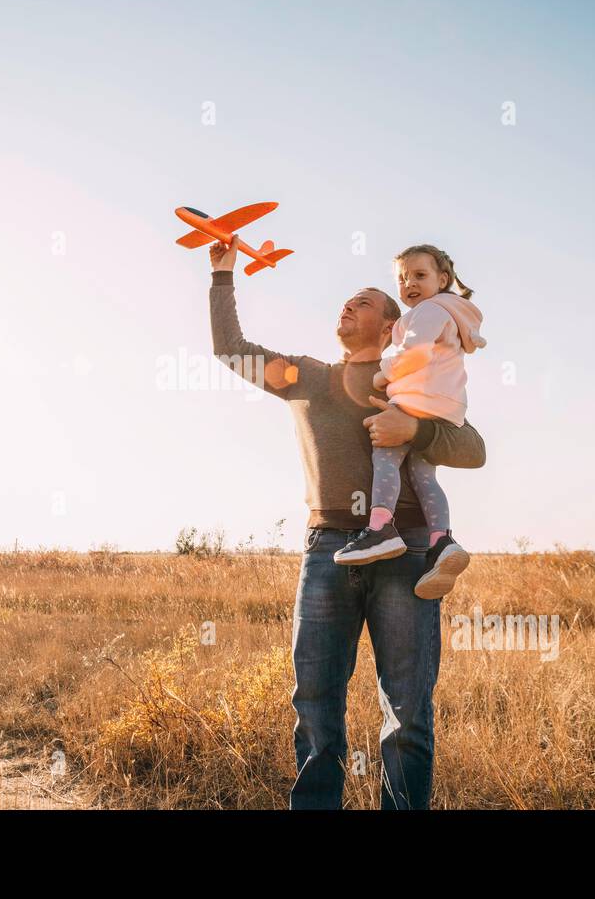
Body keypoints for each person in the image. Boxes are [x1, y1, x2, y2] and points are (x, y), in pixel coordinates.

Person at [206, 235, 486, 810]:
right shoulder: (307, 376)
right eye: (346, 301)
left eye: (363, 301)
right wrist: (224, 274)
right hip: (329, 548)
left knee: (407, 712)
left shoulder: (415, 390)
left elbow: (474, 448)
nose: (347, 307)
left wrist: (417, 432)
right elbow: (231, 350)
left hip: (406, 550)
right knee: (314, 704)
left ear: (392, 327)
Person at [332, 244, 485, 601]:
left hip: (417, 398)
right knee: (422, 474)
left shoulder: (429, 311)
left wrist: (383, 374)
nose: (409, 284)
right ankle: (441, 541)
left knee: (385, 456)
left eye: (419, 275)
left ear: (442, 279)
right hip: (445, 407)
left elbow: (414, 352)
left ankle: (381, 528)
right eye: (402, 278)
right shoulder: (449, 314)